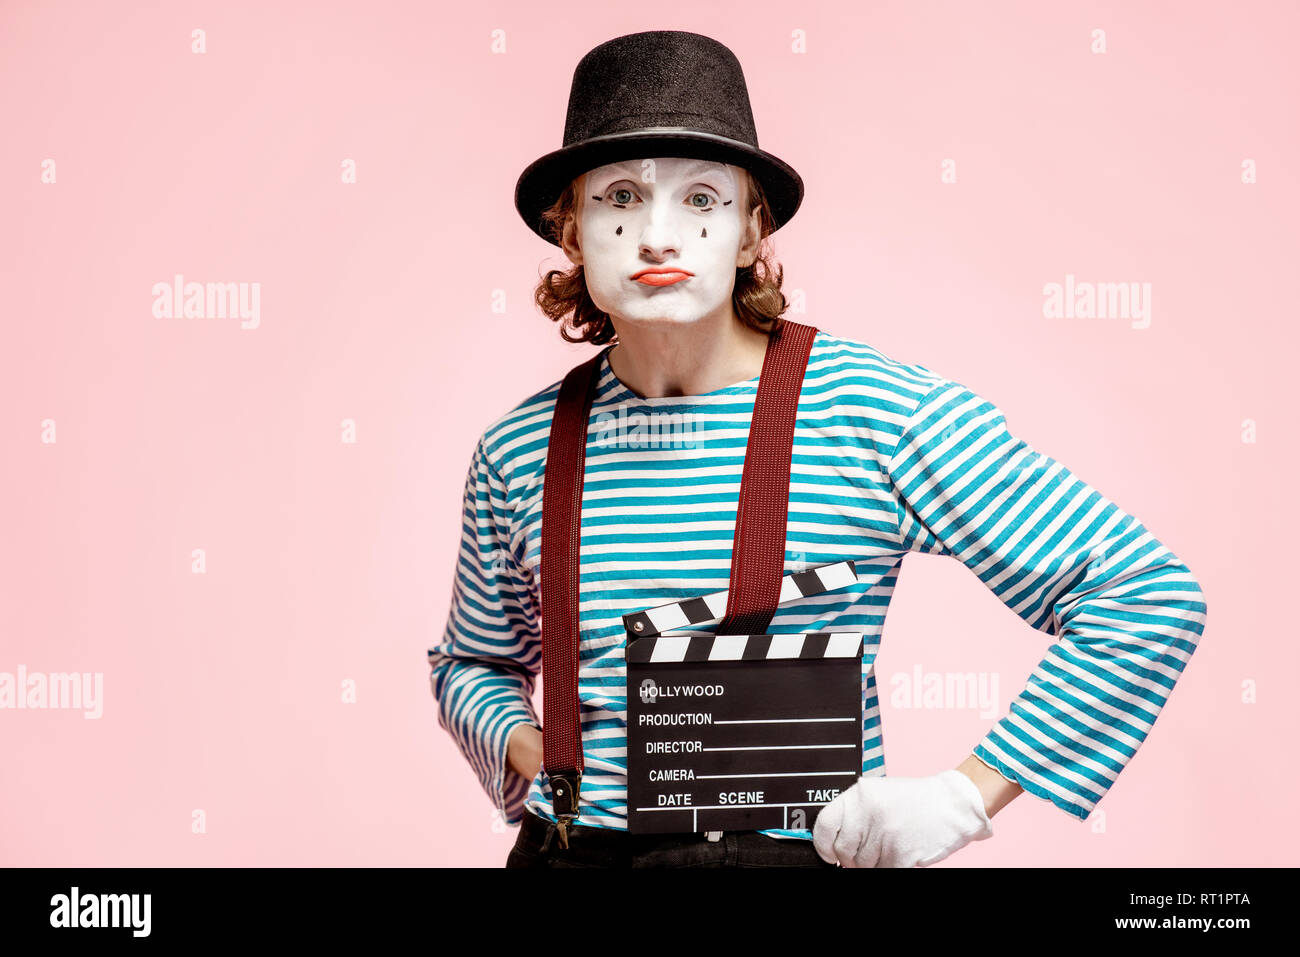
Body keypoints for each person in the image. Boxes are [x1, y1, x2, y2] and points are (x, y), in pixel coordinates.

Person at [425, 31, 1207, 868]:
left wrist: (964, 795)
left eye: (700, 200)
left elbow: (1143, 590)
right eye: (620, 197)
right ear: (572, 232)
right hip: (571, 851)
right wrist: (548, 755)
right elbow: (471, 662)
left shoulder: (875, 411)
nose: (658, 237)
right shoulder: (518, 447)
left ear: (752, 230)